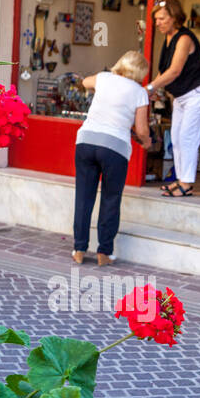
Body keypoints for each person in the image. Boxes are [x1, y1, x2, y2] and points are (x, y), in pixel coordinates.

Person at [72, 50, 151, 266]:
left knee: (83, 197)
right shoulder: (139, 92)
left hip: (86, 141)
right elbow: (142, 130)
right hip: (114, 148)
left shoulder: (103, 78)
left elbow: (85, 82)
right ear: (141, 72)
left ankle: (79, 249)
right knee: (110, 199)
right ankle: (103, 253)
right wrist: (147, 142)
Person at [148, 0, 200, 198]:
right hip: (181, 95)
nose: (157, 23)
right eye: (156, 19)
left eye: (161, 18)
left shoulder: (184, 39)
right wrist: (152, 89)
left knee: (187, 137)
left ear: (174, 17)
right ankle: (181, 179)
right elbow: (164, 71)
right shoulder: (168, 39)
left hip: (197, 92)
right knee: (176, 137)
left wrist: (149, 87)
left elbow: (175, 71)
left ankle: (187, 184)